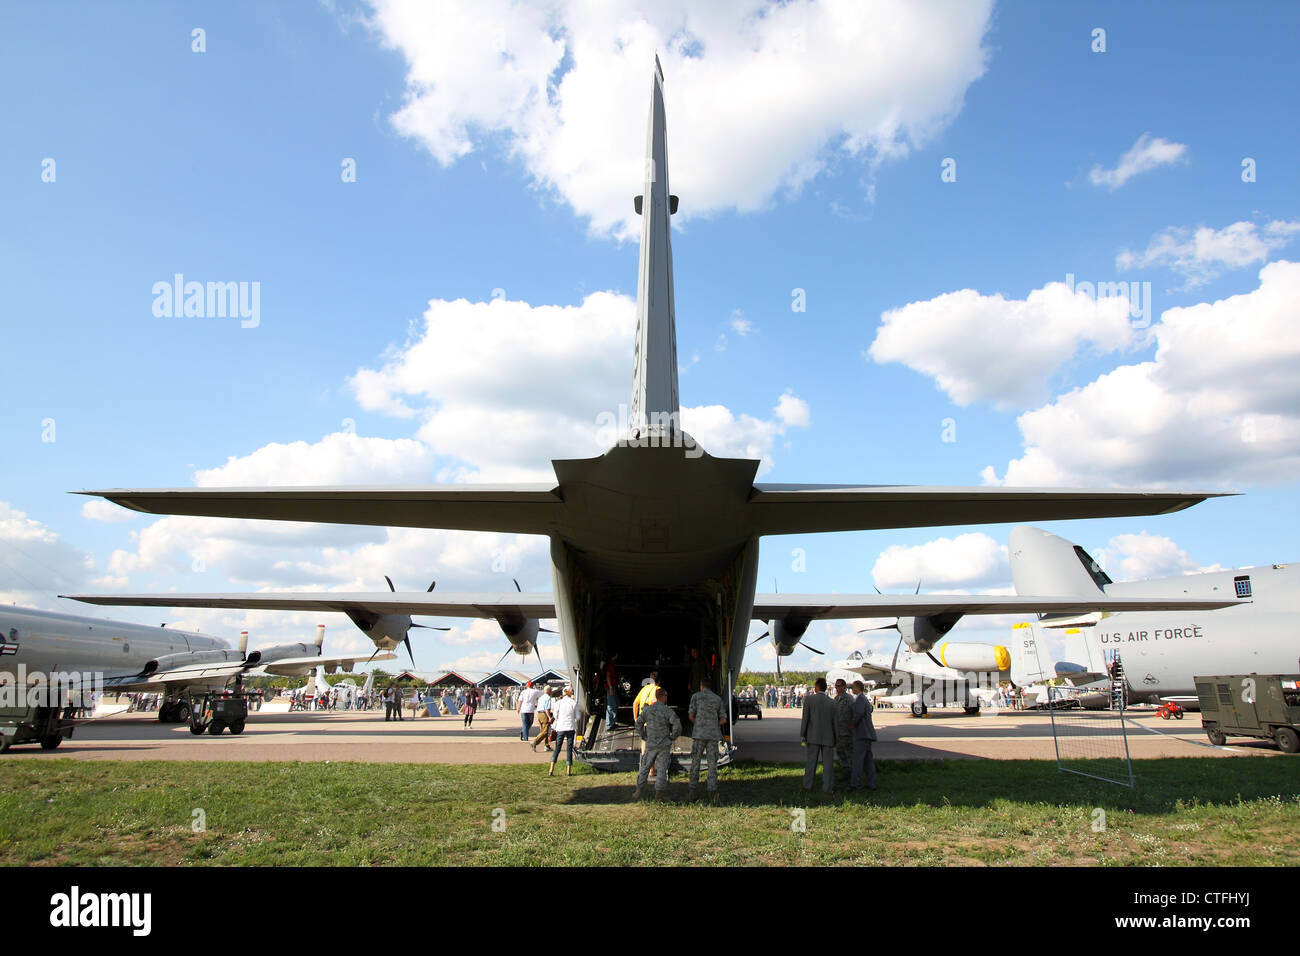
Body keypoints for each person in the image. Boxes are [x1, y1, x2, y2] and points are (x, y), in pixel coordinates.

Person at [634, 688, 681, 800]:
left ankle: (638, 791)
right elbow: (677, 725)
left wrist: (643, 736)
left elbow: (638, 723)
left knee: (645, 767)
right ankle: (658, 794)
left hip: (650, 743)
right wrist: (672, 736)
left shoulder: (648, 710)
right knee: (662, 769)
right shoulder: (667, 711)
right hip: (664, 744)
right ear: (664, 697)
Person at [687, 677, 727, 801]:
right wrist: (714, 725)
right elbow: (724, 719)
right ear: (710, 686)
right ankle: (712, 793)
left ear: (701, 686)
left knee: (695, 762)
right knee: (712, 764)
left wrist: (698, 724)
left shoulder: (695, 697)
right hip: (713, 735)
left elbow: (690, 716)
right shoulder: (717, 699)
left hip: (699, 735)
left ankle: (692, 791)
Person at [799, 678, 837, 794]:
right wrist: (836, 737)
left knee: (811, 762)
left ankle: (807, 785)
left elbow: (805, 718)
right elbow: (835, 722)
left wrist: (803, 733)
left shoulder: (809, 700)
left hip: (813, 736)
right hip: (828, 737)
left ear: (816, 687)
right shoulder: (832, 702)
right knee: (828, 765)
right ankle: (827, 788)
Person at [849, 680, 878, 791]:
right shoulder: (864, 698)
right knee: (868, 761)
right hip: (867, 734)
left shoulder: (860, 699)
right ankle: (871, 784)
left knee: (858, 760)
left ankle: (855, 784)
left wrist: (852, 724)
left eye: (853, 687)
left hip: (861, 734)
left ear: (857, 687)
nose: (852, 689)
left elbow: (859, 713)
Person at [549, 687, 580, 776]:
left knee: (557, 748)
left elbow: (555, 715)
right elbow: (577, 717)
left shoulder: (558, 703)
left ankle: (551, 769)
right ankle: (568, 770)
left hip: (561, 727)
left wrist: (559, 719)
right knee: (569, 749)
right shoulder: (573, 703)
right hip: (570, 727)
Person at [833, 678, 854, 786]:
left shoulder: (849, 699)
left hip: (847, 733)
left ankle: (853, 777)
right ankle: (846, 774)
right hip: (838, 734)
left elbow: (855, 713)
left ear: (844, 687)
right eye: (836, 686)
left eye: (839, 686)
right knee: (841, 754)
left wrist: (852, 725)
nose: (837, 688)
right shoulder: (836, 699)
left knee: (850, 755)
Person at [531, 687, 555, 752]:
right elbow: (547, 709)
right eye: (551, 690)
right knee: (545, 731)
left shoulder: (541, 697)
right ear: (548, 691)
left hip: (539, 713)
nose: (552, 692)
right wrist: (550, 717)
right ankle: (535, 741)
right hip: (544, 714)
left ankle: (546, 746)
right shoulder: (548, 698)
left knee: (542, 730)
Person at [603, 655, 619, 730]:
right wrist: (610, 687)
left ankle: (612, 722)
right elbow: (608, 676)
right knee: (611, 704)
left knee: (614, 703)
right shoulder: (610, 664)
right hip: (610, 686)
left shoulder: (610, 663)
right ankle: (609, 724)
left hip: (612, 686)